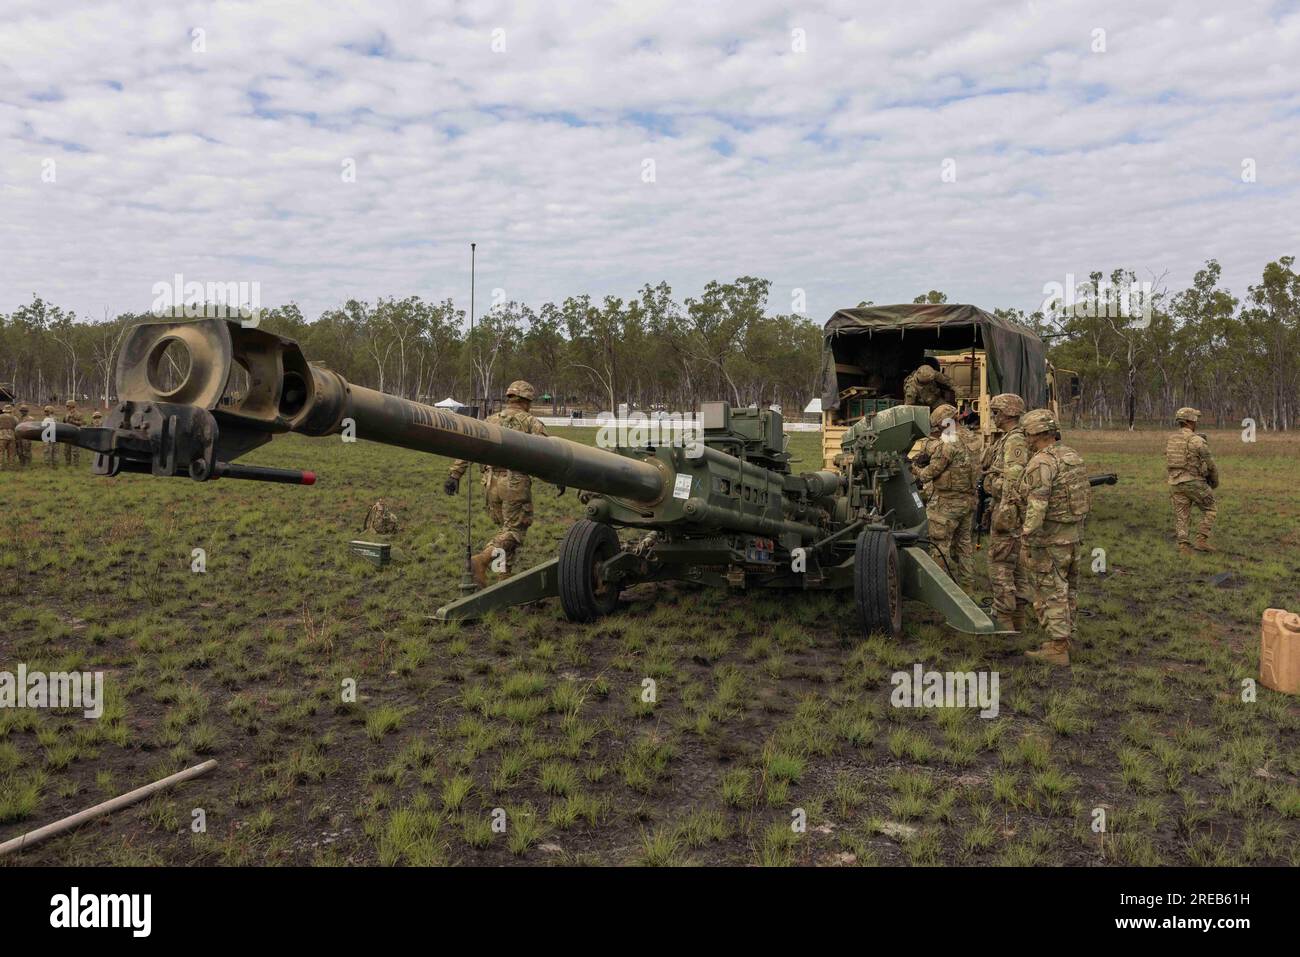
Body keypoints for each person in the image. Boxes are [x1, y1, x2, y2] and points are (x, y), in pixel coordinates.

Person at [444, 380, 549, 586]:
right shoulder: (531, 423)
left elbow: (469, 447)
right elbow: (548, 455)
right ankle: (482, 561)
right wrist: (556, 478)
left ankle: (503, 579)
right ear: (527, 400)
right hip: (514, 484)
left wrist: (455, 475)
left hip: (491, 483)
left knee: (505, 531)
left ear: (510, 398)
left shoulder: (490, 421)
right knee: (515, 531)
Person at [1017, 409, 1091, 666]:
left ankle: (1058, 648)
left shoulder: (1041, 462)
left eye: (1026, 433)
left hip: (1049, 538)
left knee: (1051, 590)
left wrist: (1026, 537)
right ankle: (1066, 637)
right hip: (1072, 534)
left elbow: (1037, 505)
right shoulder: (1072, 456)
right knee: (1068, 589)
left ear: (1034, 434)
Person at [911, 405, 977, 590]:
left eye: (939, 427)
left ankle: (942, 589)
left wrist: (913, 469)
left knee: (940, 545)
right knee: (965, 545)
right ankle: (967, 586)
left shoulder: (948, 442)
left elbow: (928, 474)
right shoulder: (974, 438)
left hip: (947, 503)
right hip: (969, 500)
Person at [982, 394, 1032, 630]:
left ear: (1007, 413)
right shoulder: (1009, 439)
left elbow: (1014, 479)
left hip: (1007, 511)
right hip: (1011, 510)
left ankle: (1004, 620)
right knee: (1016, 565)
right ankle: (1018, 618)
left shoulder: (1015, 441)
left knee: (999, 563)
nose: (994, 417)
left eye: (996, 412)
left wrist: (993, 486)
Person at [1166, 407, 1218, 554]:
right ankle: (1201, 540)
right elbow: (1211, 465)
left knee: (1182, 515)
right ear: (1191, 421)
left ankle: (1184, 546)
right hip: (1194, 482)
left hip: (1175, 482)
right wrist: (1214, 481)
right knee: (1211, 509)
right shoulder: (1197, 441)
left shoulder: (1172, 439)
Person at [62, 399, 84, 467]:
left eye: (68, 406)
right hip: (67, 434)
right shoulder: (67, 414)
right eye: (66, 406)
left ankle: (76, 465)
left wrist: (73, 421)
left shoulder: (79, 414)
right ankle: (67, 464)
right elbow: (64, 422)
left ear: (72, 406)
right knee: (66, 450)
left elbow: (81, 423)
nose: (66, 407)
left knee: (75, 451)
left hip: (75, 434)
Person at [0, 405, 17, 469]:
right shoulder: (14, 418)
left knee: (1, 452)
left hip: (2, 436)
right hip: (12, 437)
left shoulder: (0, 417)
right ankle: (11, 466)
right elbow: (17, 427)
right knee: (11, 453)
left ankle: (0, 466)